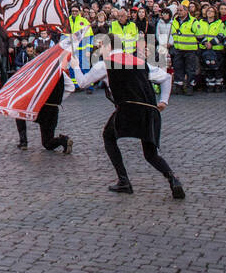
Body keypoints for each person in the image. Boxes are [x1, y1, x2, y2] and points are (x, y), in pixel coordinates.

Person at [73, 40, 184, 199]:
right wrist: (164, 101)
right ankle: (173, 179)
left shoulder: (105, 64)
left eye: (102, 47)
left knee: (108, 137)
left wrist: (75, 65)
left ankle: (124, 181)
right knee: (150, 153)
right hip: (149, 110)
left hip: (128, 109)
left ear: (109, 47)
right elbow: (166, 78)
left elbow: (83, 83)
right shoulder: (139, 62)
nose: (99, 50)